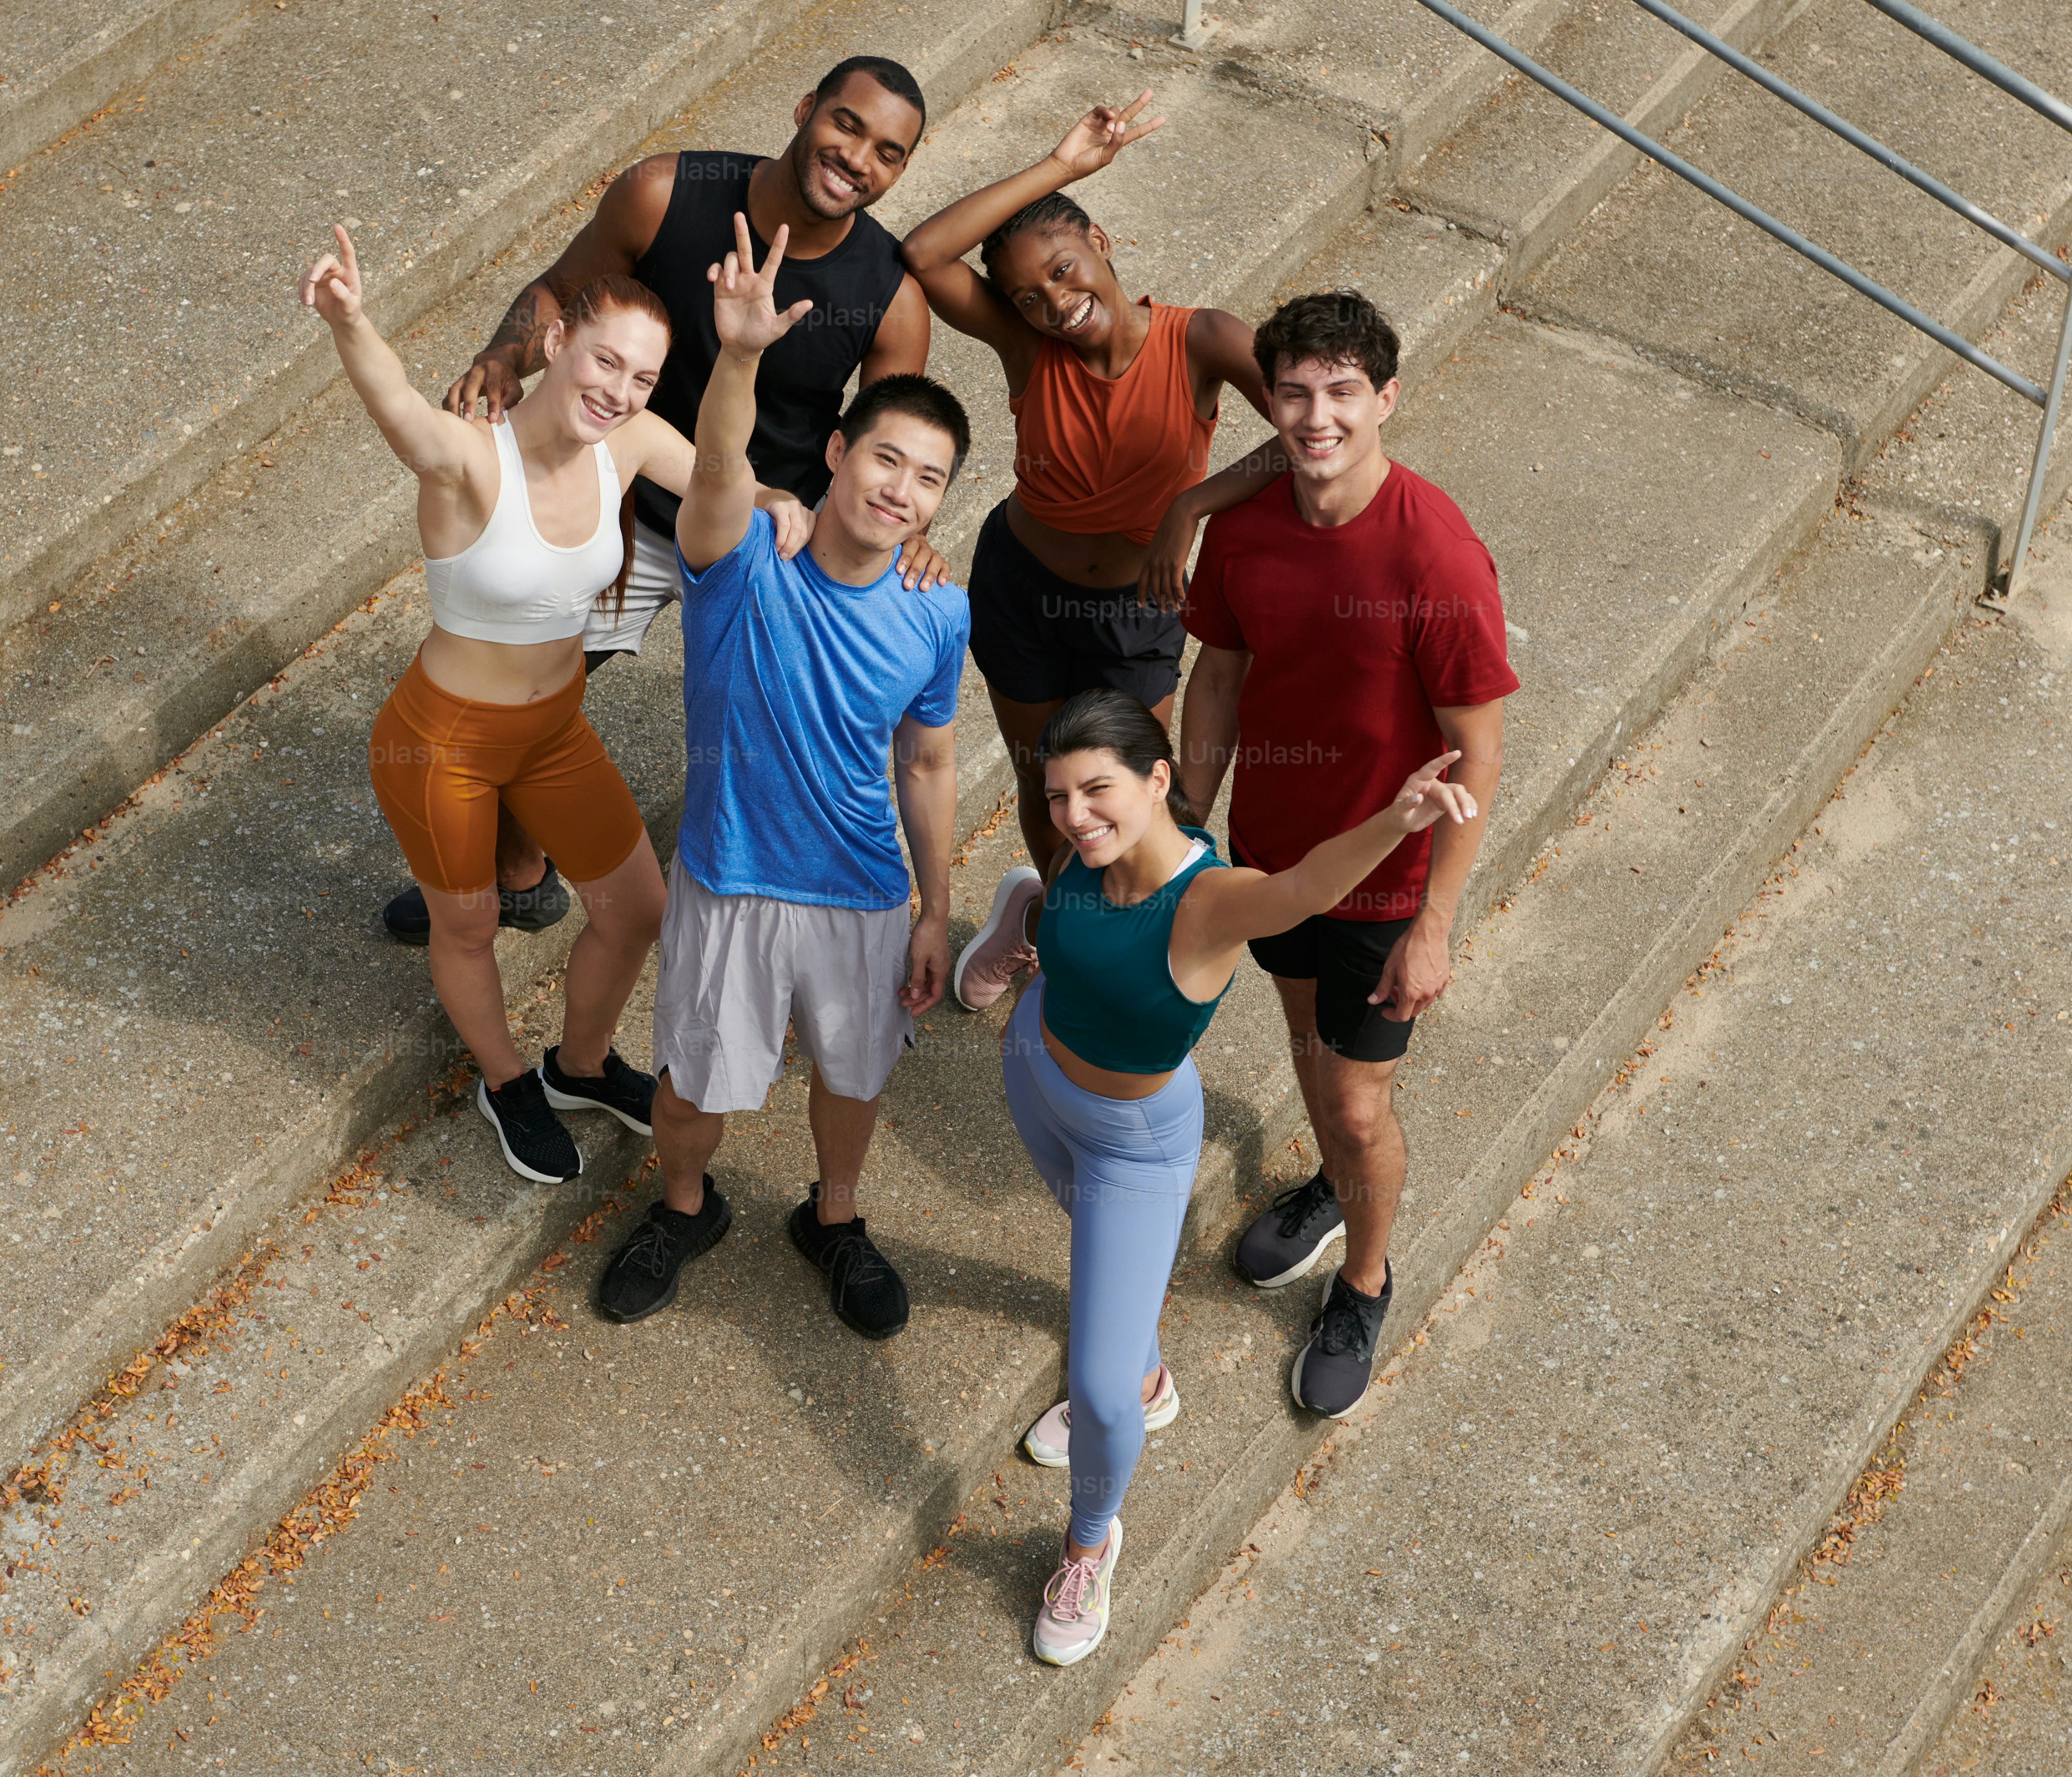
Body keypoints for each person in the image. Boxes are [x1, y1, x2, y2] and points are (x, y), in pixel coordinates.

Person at [373, 56, 944, 945]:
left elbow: (892, 443)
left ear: (901, 171)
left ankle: (785, 912)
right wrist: (502, 356)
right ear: (803, 109)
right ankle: (518, 872)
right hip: (623, 507)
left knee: (791, 725)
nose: (858, 157)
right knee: (531, 687)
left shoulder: (892, 297)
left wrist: (905, 536)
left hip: (764, 528)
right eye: (846, 124)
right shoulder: (666, 193)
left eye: (889, 152)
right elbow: (563, 294)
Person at [300, 224, 813, 1188]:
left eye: (642, 378)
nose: (619, 390)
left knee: (637, 908)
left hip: (552, 729)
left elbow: (715, 472)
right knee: (468, 922)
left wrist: (774, 492)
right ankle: (507, 1082)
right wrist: (350, 321)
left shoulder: (631, 440)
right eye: (605, 360)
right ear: (555, 344)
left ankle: (577, 1067)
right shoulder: (468, 458)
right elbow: (399, 408)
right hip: (442, 743)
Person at [1005, 689, 1477, 1666]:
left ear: (1159, 778)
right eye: (1057, 795)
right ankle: (1146, 1373)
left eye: (1098, 789)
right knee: (1111, 1339)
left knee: (1093, 1389)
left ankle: (1090, 1542)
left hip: (1134, 1144)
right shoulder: (1077, 850)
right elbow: (1050, 919)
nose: (1075, 813)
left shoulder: (1209, 898)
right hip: (1036, 1075)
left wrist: (1398, 819)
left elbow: (1304, 887)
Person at [594, 216, 971, 1338]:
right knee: (690, 1092)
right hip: (731, 875)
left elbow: (930, 755)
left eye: (930, 479)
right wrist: (744, 356)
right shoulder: (739, 557)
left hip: (862, 890)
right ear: (842, 449)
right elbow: (717, 467)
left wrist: (937, 907)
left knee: (852, 1082)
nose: (901, 489)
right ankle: (683, 1204)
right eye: (887, 457)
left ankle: (836, 1217)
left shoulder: (938, 606)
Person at [1173, 289, 1516, 1418]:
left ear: (1386, 401)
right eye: (1294, 392)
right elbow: (1217, 674)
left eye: (1342, 392)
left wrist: (1435, 924)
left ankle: (1364, 1277)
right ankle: (1330, 1183)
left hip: (1389, 883)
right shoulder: (1247, 529)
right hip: (1276, 858)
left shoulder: (1438, 555)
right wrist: (1189, 811)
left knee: (1362, 1103)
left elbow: (1477, 753)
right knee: (1314, 1057)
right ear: (1268, 401)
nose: (1317, 417)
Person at [892, 92, 1281, 1016]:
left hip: (1135, 615)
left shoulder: (1203, 339)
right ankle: (1053, 930)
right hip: (1022, 587)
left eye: (1065, 271)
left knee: (1132, 799)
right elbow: (921, 255)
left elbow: (1304, 432)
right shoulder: (1028, 348)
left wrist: (1192, 504)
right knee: (1048, 785)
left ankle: (1084, 932)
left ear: (1102, 245)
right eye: (1030, 293)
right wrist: (1062, 165)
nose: (1056, 304)